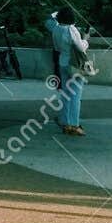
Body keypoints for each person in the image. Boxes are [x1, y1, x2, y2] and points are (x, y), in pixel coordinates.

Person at [45, 7, 90, 136]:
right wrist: (86, 40)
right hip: (74, 65)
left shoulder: (56, 29)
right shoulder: (71, 29)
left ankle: (65, 122)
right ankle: (74, 125)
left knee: (65, 94)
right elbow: (80, 48)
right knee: (76, 95)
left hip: (62, 62)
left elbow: (57, 47)